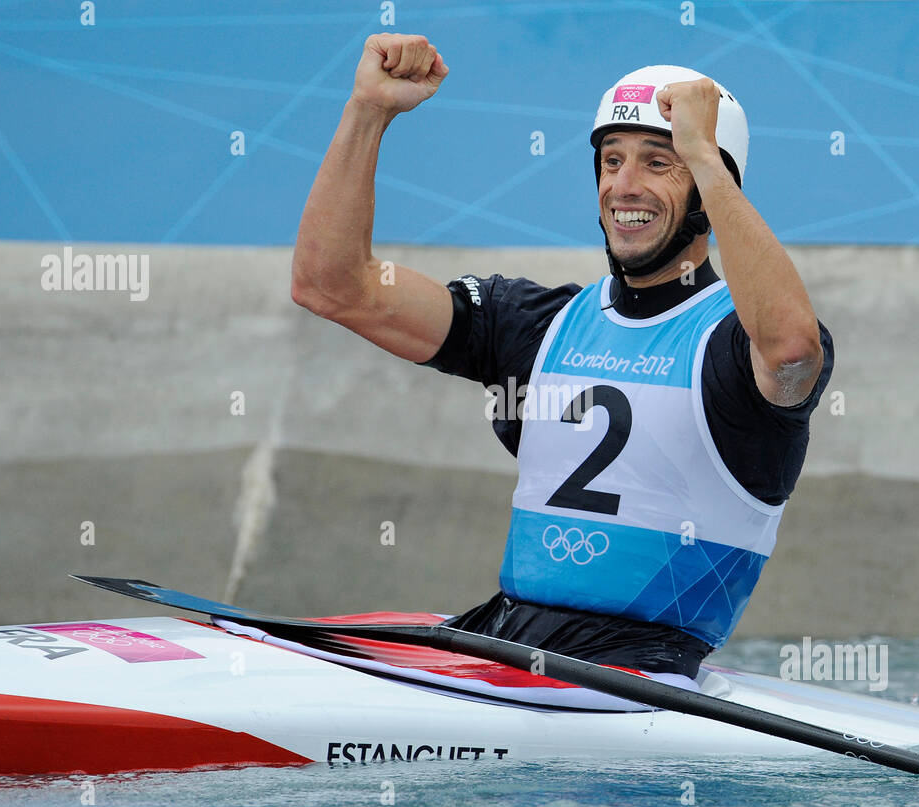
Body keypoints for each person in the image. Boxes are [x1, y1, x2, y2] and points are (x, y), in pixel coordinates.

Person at [291, 33, 833, 688]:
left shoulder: (732, 352)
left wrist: (705, 156)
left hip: (637, 675)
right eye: (611, 160)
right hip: (503, 642)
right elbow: (332, 286)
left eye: (659, 163)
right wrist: (367, 111)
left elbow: (793, 350)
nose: (623, 186)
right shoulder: (535, 326)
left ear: (712, 186)